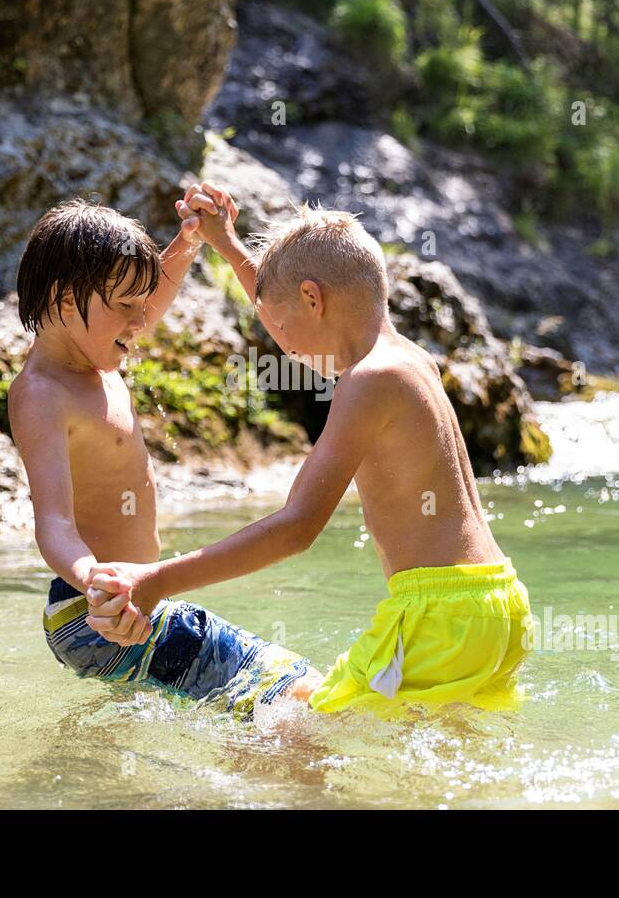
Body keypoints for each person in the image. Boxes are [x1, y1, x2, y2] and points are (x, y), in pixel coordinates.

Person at [86, 185, 531, 719]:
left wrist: (157, 580)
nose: (283, 346)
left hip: (439, 615)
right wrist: (226, 243)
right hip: (495, 603)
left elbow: (298, 527)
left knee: (298, 733)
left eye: (281, 331)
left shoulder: (366, 383)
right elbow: (286, 304)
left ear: (314, 300)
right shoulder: (409, 361)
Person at [9, 196, 323, 721]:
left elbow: (152, 299)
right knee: (292, 692)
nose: (142, 319)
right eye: (127, 306)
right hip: (96, 609)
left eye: (142, 303)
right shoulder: (43, 392)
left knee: (168, 713)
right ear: (66, 301)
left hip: (118, 607)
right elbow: (54, 524)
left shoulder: (95, 355)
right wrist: (95, 581)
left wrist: (191, 240)